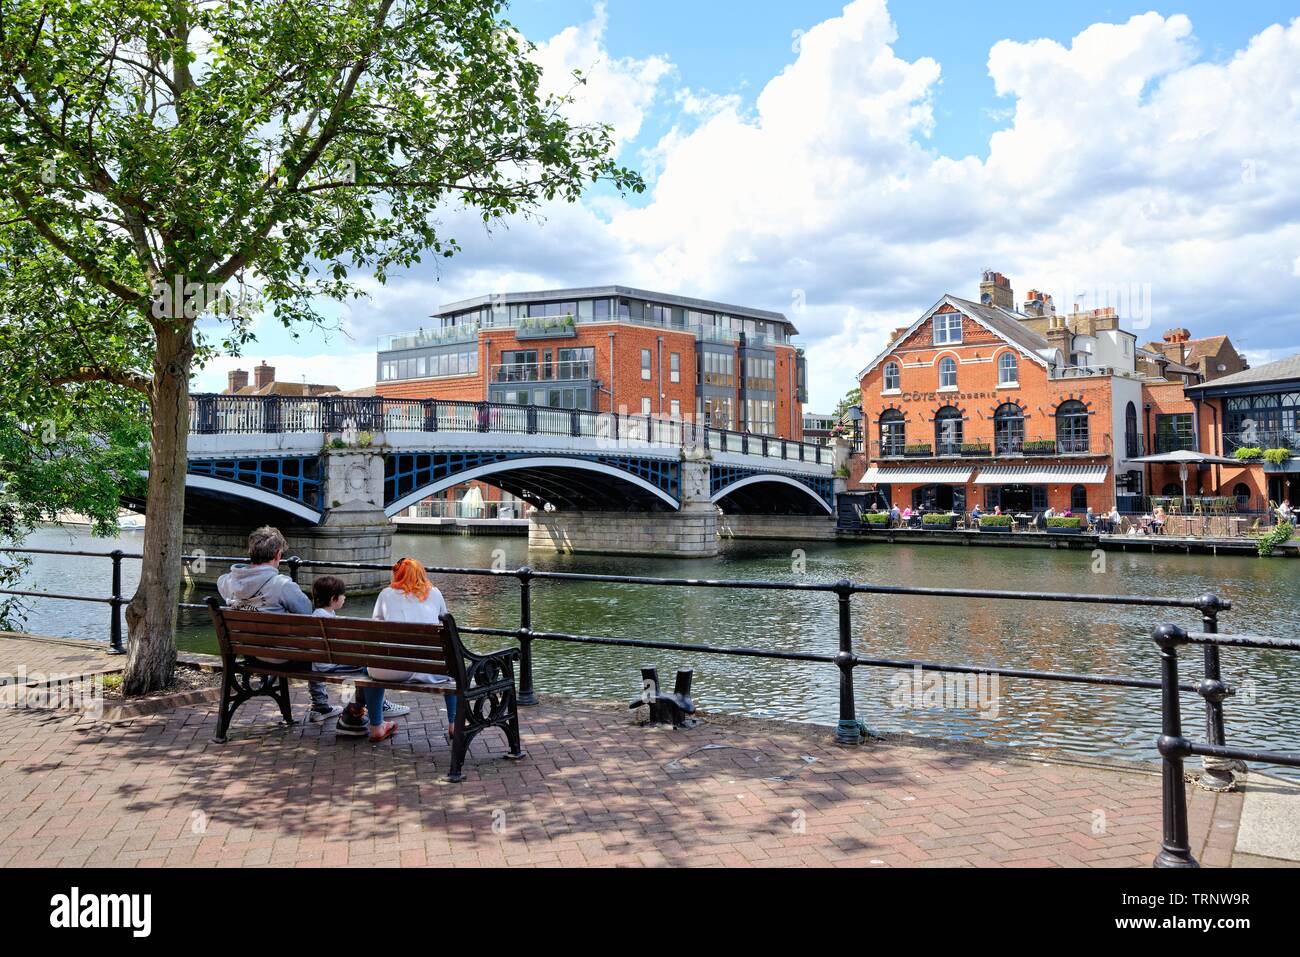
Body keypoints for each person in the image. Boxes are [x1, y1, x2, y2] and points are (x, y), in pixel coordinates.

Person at [216, 526, 340, 723]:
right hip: (282, 657)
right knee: (316, 643)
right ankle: (320, 705)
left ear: (251, 553)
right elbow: (309, 614)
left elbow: (221, 581)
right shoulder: (281, 585)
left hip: (249, 653)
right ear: (278, 554)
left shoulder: (227, 582)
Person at [368, 558, 460, 741]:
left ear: (398, 574)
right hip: (425, 667)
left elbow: (374, 630)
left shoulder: (385, 594)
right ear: (421, 574)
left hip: (387, 670)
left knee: (370, 667)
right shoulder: (435, 593)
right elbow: (446, 629)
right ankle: (454, 724)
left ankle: (377, 725)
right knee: (453, 672)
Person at [312, 576, 410, 742]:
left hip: (318, 664)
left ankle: (356, 710)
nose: (345, 598)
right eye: (342, 595)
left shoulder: (315, 616)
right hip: (331, 665)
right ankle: (354, 710)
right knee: (369, 670)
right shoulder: (330, 621)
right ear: (333, 599)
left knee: (364, 667)